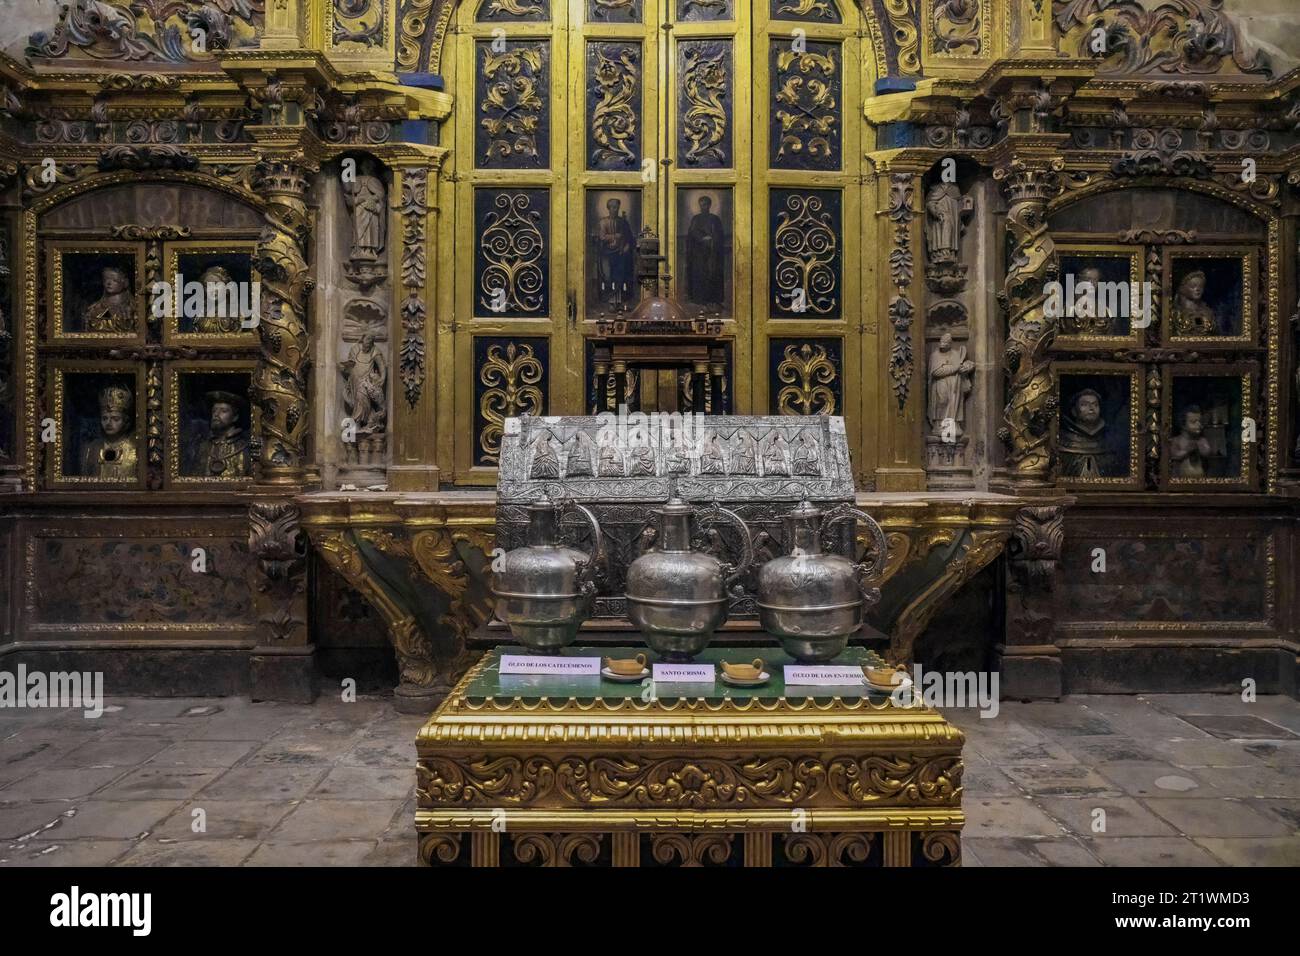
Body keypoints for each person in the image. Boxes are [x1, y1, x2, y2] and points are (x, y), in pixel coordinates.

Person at [82, 383, 138, 481]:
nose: (108, 423)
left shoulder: (135, 449)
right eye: (104, 418)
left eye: (115, 419)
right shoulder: (92, 448)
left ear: (126, 421)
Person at [1059, 388, 1115, 478]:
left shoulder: (1108, 440)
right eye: (1084, 404)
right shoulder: (1062, 440)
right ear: (1074, 411)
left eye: (1095, 405)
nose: (1091, 408)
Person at [193, 391, 251, 479]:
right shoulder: (203, 447)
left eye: (223, 411)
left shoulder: (245, 448)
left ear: (235, 417)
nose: (216, 414)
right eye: (214, 411)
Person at [685, 195, 725, 311]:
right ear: (699, 205)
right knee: (701, 275)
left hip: (713, 253)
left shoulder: (715, 219)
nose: (704, 207)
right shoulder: (696, 219)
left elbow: (720, 235)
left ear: (709, 205)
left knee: (713, 275)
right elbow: (692, 233)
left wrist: (713, 239)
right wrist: (702, 238)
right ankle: (701, 300)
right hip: (699, 254)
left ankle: (714, 300)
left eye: (706, 204)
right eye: (702, 205)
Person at [597, 197, 635, 309]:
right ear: (608, 208)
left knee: (620, 277)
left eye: (616, 207)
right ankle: (611, 302)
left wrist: (626, 247)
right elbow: (602, 237)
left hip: (620, 254)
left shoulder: (623, 222)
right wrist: (615, 236)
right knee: (609, 277)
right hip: (607, 254)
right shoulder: (603, 222)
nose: (615, 209)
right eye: (612, 207)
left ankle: (620, 302)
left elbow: (629, 238)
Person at [83, 266, 135, 333]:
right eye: (106, 279)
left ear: (125, 282)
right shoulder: (94, 308)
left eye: (114, 280)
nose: (109, 283)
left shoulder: (132, 307)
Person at [1169, 405, 1213, 478]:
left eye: (1199, 421)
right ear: (1183, 425)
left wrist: (1200, 447)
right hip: (1180, 481)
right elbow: (1174, 455)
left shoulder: (1202, 440)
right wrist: (1187, 450)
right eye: (1193, 422)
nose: (1198, 424)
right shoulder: (1176, 440)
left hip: (1199, 479)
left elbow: (1207, 452)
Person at [1172, 270, 1218, 335]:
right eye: (1193, 286)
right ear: (1181, 288)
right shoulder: (1175, 313)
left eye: (1201, 286)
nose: (1197, 289)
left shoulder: (1208, 312)